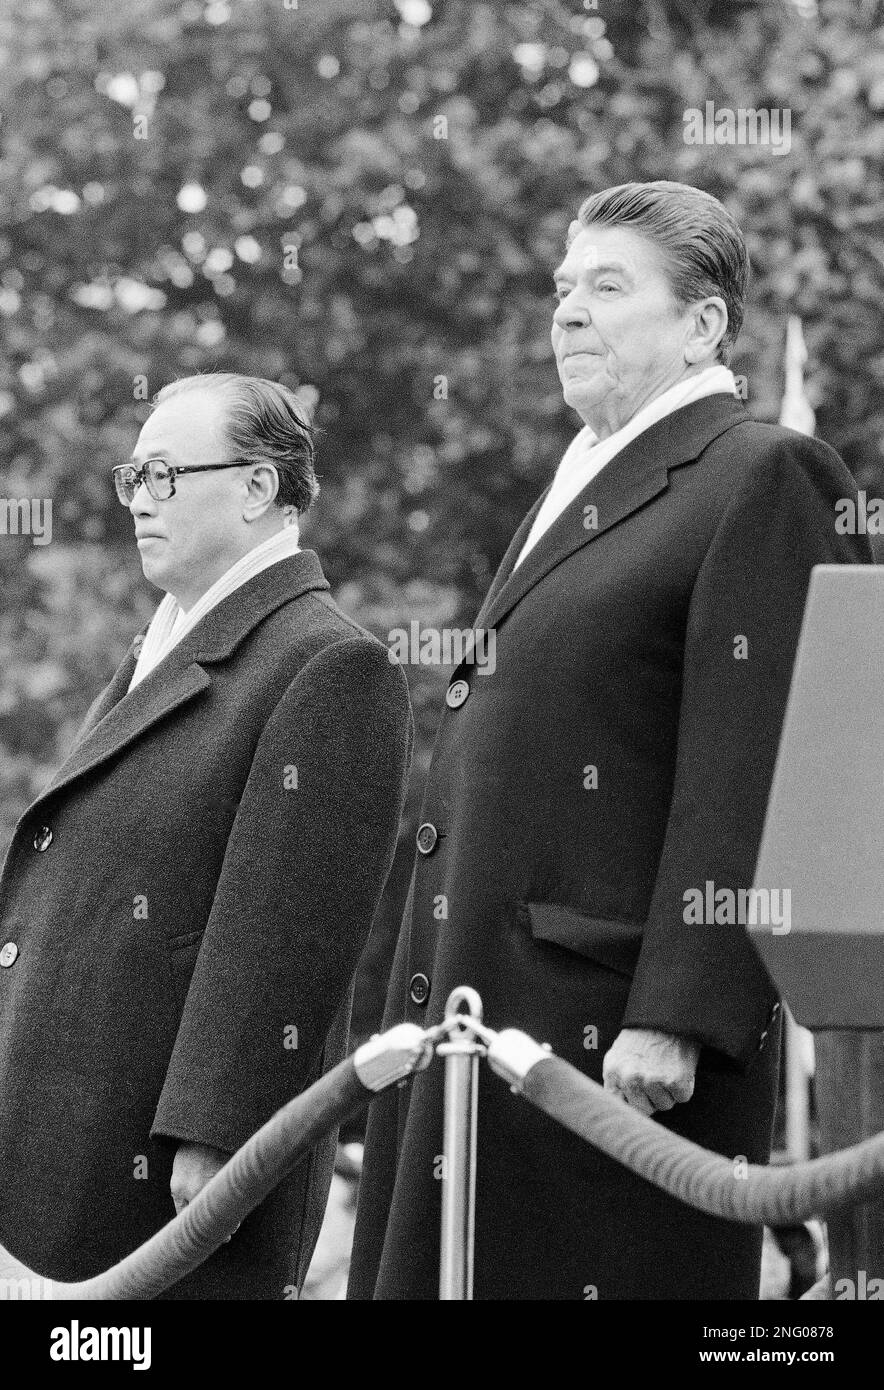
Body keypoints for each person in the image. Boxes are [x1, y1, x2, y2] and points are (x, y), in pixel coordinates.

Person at [348, 182, 873, 1300]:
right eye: (560, 288)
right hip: (470, 1019)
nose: (566, 312)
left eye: (606, 285)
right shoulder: (580, 480)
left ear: (701, 325)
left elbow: (758, 760)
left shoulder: (759, 471)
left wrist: (677, 1011)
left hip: (609, 1051)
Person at [0, 372, 412, 1298]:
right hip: (63, 1141)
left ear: (260, 488)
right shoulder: (164, 644)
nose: (141, 501)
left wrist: (218, 1134)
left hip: (163, 1176)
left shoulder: (327, 663)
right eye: (133, 478)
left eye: (165, 476)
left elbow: (288, 928)